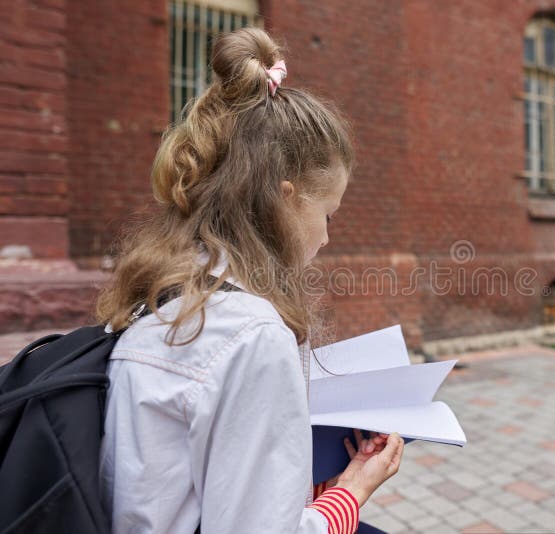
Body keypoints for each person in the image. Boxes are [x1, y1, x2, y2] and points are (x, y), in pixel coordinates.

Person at [96, 27, 403, 533]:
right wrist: (352, 491)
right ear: (286, 199)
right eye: (329, 214)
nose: (327, 237)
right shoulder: (252, 335)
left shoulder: (167, 289)